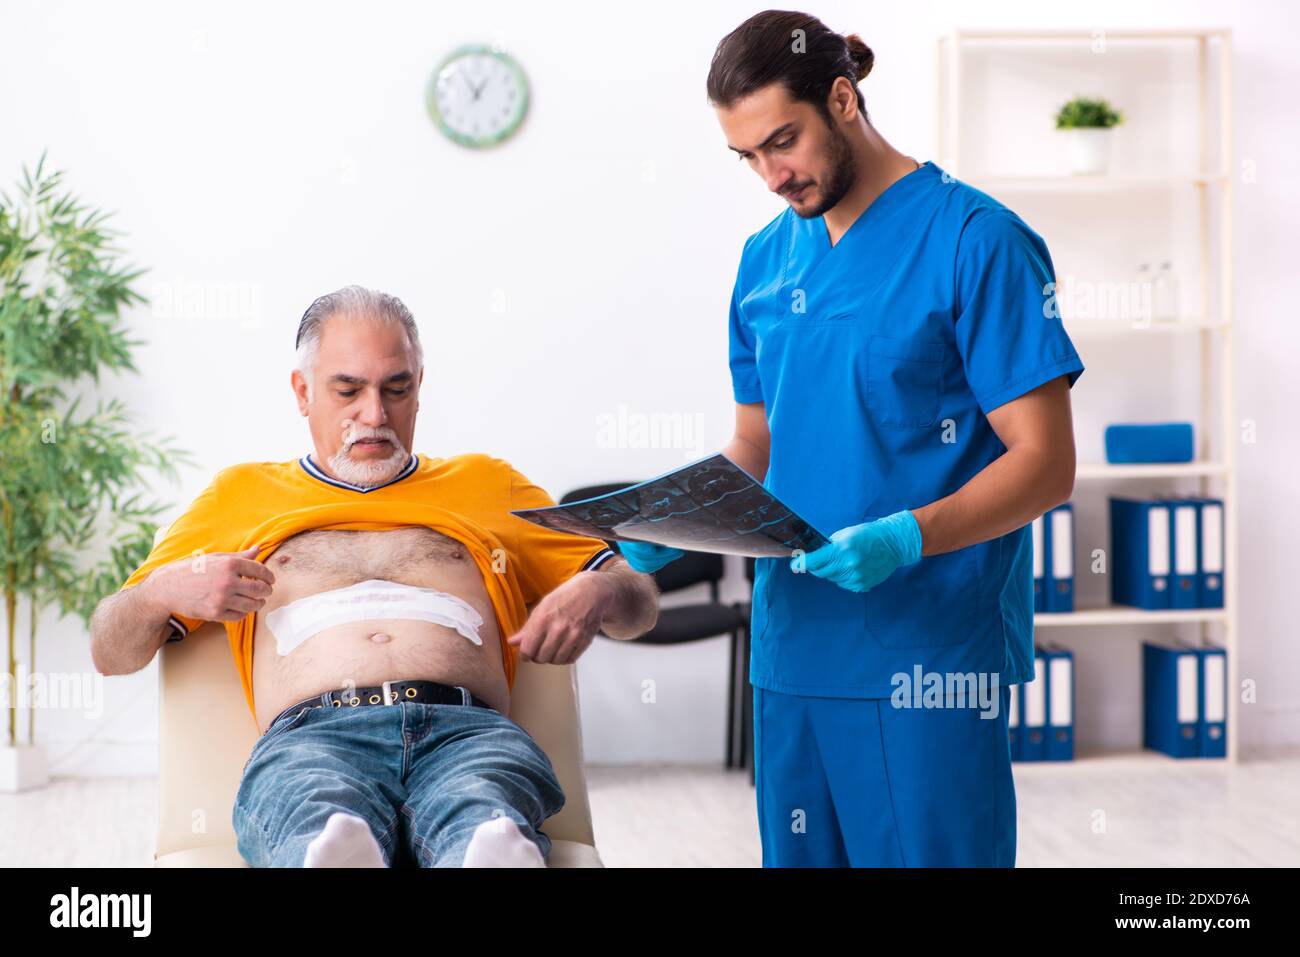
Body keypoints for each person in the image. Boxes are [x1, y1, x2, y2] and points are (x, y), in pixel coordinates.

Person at [623, 10, 1084, 867]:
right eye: (747, 157)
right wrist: (661, 524)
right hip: (794, 646)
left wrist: (910, 535)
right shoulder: (766, 262)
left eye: (782, 141)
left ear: (843, 99)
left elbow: (1046, 464)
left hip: (929, 656)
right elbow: (753, 449)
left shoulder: (978, 244)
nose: (770, 174)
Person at [90, 285, 660, 867]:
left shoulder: (491, 484)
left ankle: (487, 851)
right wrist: (164, 592)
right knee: (319, 814)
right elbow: (110, 650)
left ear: (419, 389)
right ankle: (336, 852)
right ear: (303, 392)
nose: (375, 414)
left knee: (483, 810)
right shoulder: (239, 496)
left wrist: (601, 587)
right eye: (348, 390)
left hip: (468, 733)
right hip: (313, 739)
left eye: (397, 389)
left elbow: (638, 606)